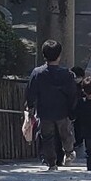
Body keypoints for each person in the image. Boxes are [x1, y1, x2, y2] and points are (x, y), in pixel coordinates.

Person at [26, 41, 79, 171]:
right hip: (62, 110)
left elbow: (31, 91)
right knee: (65, 133)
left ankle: (51, 163)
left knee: (47, 137)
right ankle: (69, 152)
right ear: (59, 55)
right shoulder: (66, 74)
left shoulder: (37, 73)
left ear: (44, 55)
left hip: (44, 111)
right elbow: (72, 93)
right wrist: (72, 110)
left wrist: (30, 106)